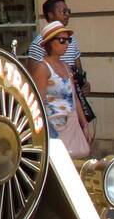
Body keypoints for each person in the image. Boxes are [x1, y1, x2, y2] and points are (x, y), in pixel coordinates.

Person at [30, 21, 91, 159]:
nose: (66, 44)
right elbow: (37, 102)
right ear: (49, 43)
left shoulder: (66, 66)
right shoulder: (42, 67)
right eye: (62, 40)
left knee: (77, 159)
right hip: (53, 126)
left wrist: (84, 123)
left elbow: (74, 97)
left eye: (68, 40)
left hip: (71, 122)